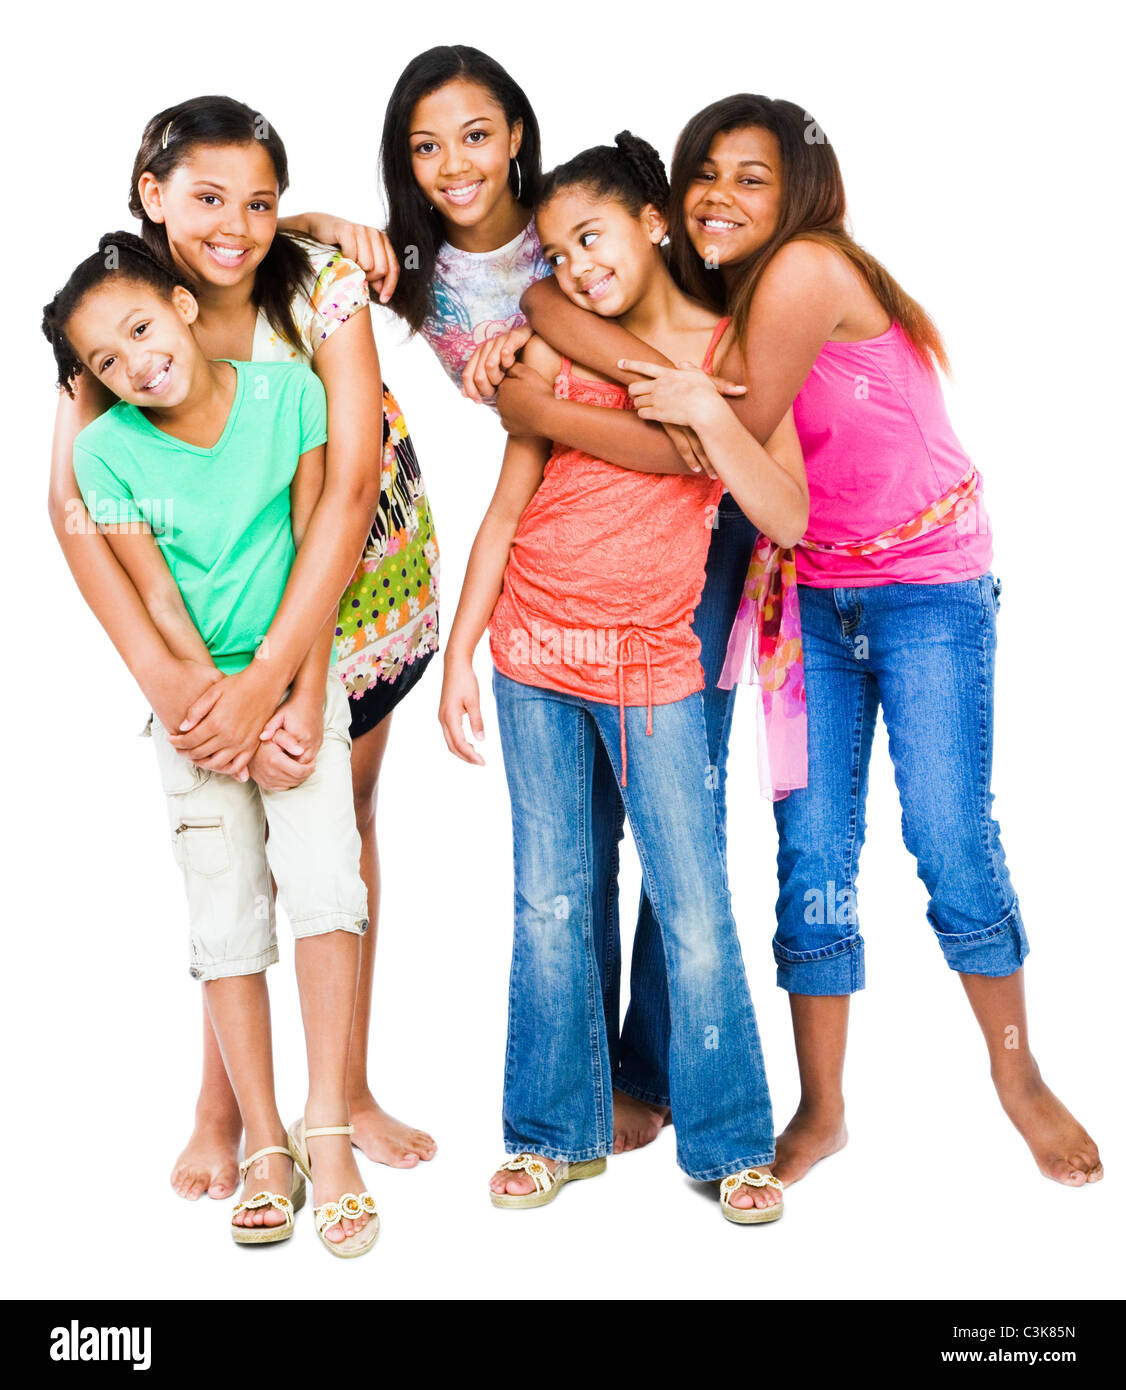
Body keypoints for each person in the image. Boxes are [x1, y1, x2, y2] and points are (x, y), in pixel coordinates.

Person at [508, 93, 1104, 1189]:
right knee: (814, 855)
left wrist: (554, 406)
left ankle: (1016, 1075)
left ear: (800, 195)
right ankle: (821, 1110)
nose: (719, 196)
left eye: (751, 177)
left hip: (927, 590)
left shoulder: (801, 273)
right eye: (704, 174)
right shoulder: (712, 290)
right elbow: (555, 301)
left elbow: (699, 447)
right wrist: (553, 310)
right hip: (804, 603)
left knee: (947, 835)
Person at [47, 96, 438, 1201]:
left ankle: (342, 1091)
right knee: (230, 854)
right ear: (149, 193)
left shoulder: (315, 280)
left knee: (334, 827)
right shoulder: (115, 317)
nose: (236, 224)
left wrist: (276, 676)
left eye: (259, 202)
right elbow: (69, 508)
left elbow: (348, 482)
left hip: (357, 575)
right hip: (218, 622)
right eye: (207, 198)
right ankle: (229, 1107)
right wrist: (175, 682)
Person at [439, 133, 807, 1221]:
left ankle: (732, 1140)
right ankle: (556, 1133)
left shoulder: (731, 353)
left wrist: (702, 412)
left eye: (590, 234)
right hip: (533, 654)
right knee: (550, 896)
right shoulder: (552, 340)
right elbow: (507, 506)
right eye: (554, 251)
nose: (573, 263)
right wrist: (461, 651)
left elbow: (784, 513)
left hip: (653, 657)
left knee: (692, 900)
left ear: (651, 221)